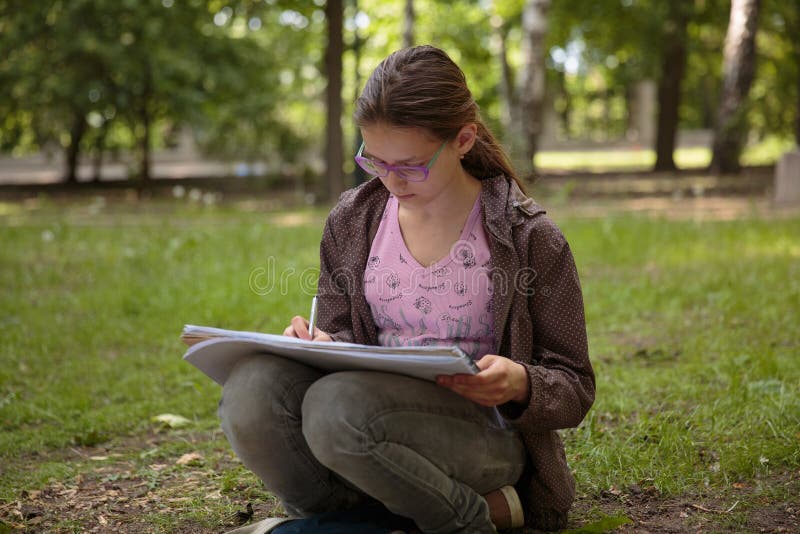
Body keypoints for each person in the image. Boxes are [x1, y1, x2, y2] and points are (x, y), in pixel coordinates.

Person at [218, 45, 595, 533]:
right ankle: (366, 520)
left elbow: (576, 384)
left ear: (463, 140)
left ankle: (459, 519)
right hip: (366, 427)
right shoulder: (354, 219)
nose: (392, 181)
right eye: (375, 161)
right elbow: (337, 336)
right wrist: (321, 345)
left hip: (479, 435)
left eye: (411, 166)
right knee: (250, 390)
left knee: (337, 409)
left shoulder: (526, 235)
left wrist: (521, 382)